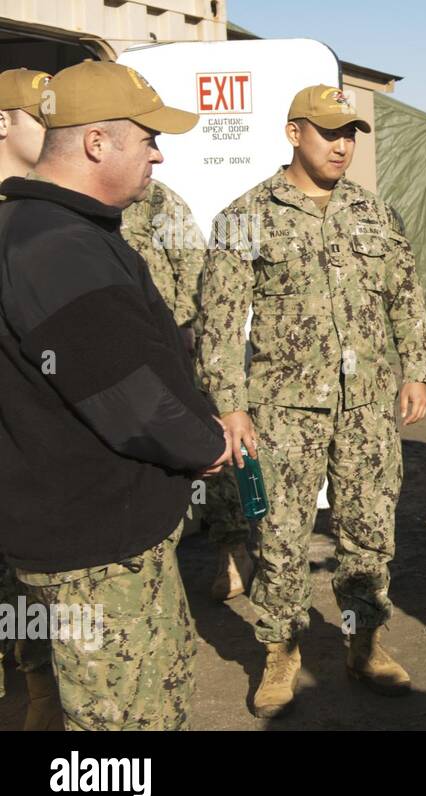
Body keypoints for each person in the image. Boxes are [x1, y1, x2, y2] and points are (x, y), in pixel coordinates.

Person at [0, 60, 232, 730]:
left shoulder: (54, 228)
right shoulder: (54, 244)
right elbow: (125, 395)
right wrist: (206, 443)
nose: (160, 153)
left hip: (100, 535)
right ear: (97, 143)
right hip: (97, 552)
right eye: (148, 138)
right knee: (126, 725)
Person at [198, 84, 426, 717]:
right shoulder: (246, 215)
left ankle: (364, 644)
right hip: (282, 408)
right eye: (329, 132)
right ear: (293, 132)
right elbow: (220, 319)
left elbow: (406, 296)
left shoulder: (374, 213)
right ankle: (280, 653)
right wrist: (230, 403)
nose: (343, 144)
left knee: (368, 528)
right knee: (278, 533)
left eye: (350, 132)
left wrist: (416, 369)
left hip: (366, 407)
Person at [121, 179, 254, 601]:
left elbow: (195, 266)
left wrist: (180, 325)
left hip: (167, 346)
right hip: (109, 351)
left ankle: (232, 550)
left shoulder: (151, 198)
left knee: (203, 445)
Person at [0, 65, 59, 730]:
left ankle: (42, 685)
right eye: (42, 117)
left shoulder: (54, 209)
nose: (56, 131)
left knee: (33, 579)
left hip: (39, 438)